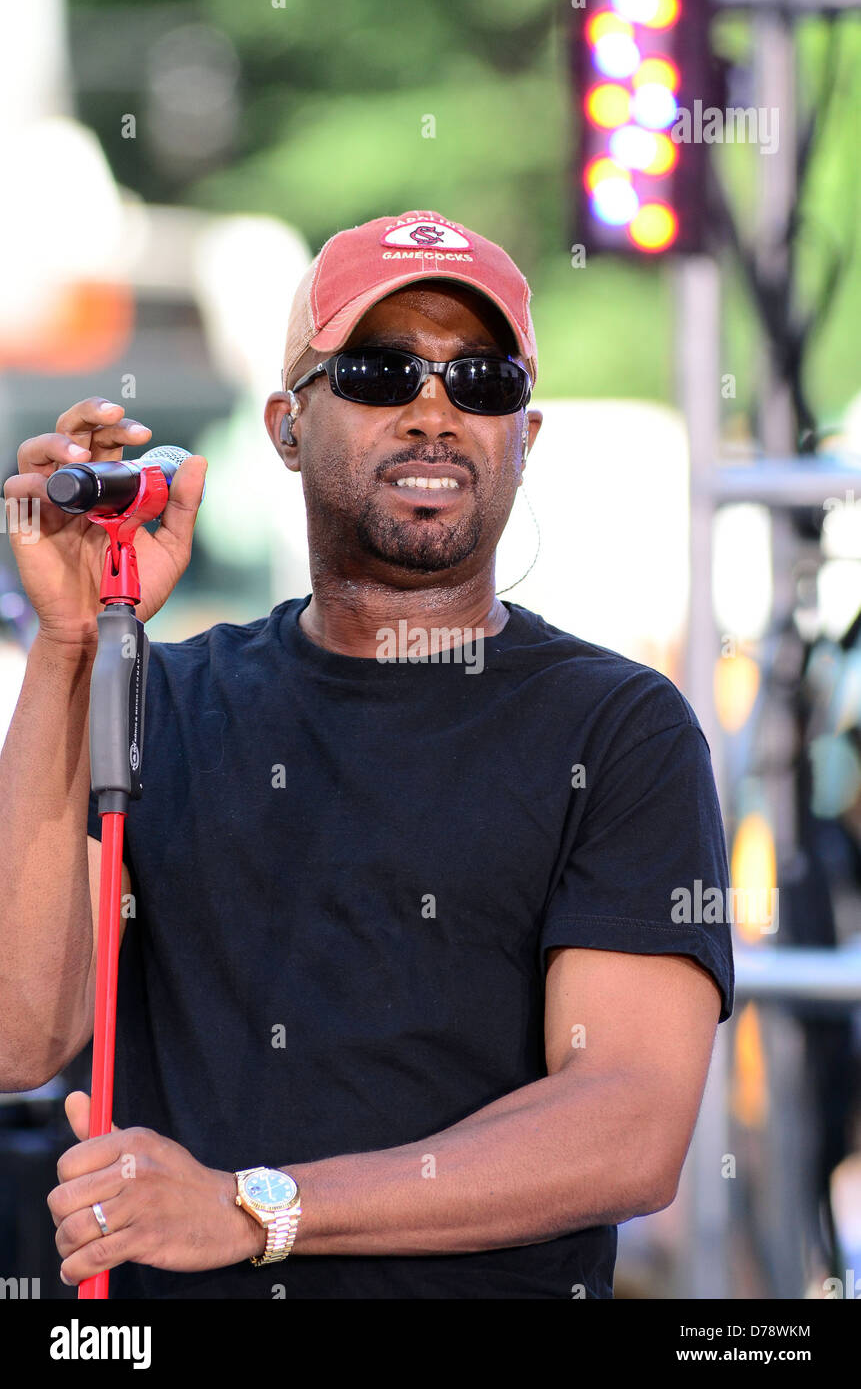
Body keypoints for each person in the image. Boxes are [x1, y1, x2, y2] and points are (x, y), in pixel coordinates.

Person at [0, 209, 733, 1299]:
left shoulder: (618, 727)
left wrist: (256, 1207)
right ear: (288, 427)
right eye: (383, 372)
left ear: (524, 438)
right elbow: (21, 1038)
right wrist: (68, 646)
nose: (434, 412)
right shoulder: (161, 695)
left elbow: (625, 1124)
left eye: (481, 380)